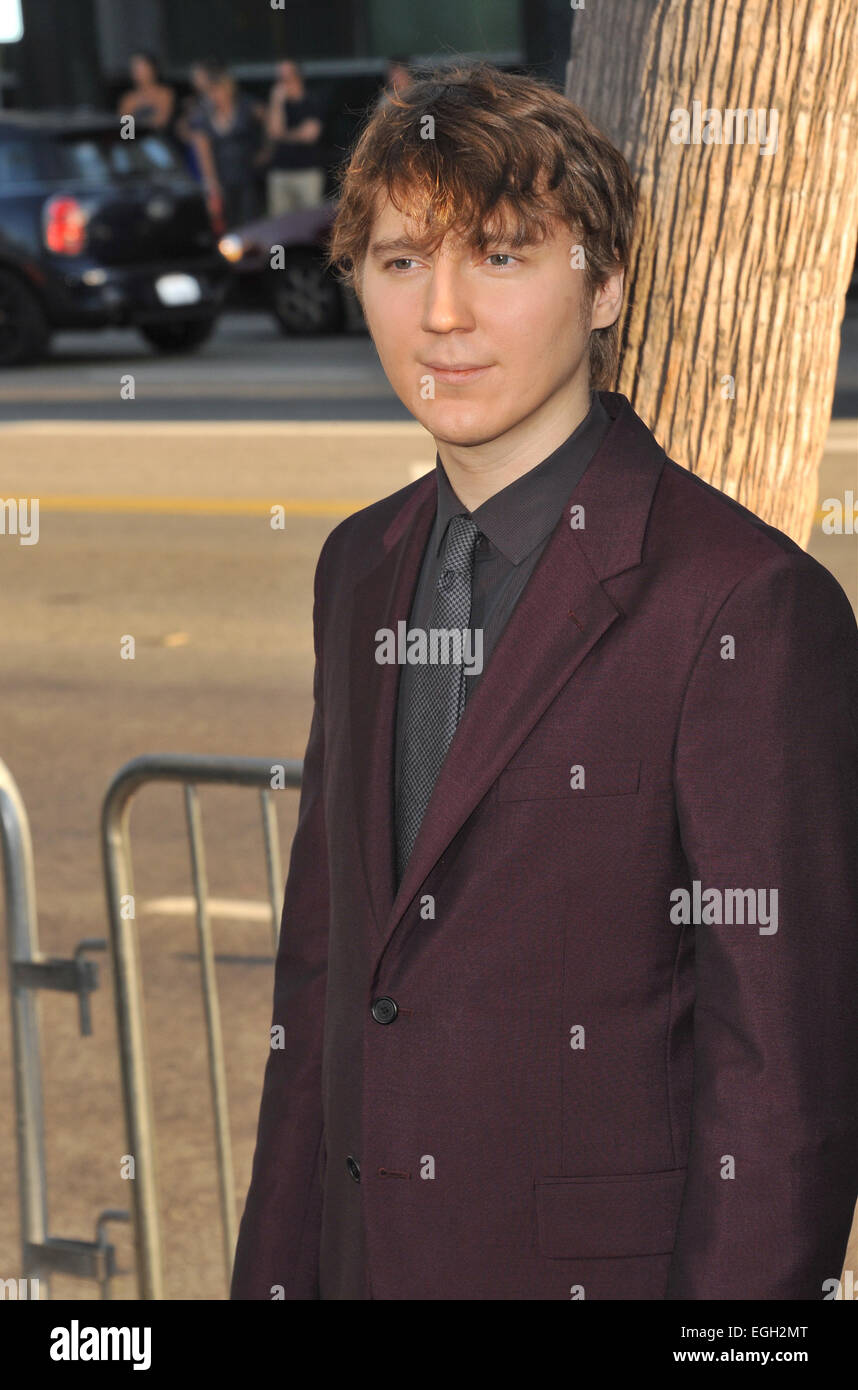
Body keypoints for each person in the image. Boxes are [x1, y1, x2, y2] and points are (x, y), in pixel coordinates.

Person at [230, 62, 858, 1301]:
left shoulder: (744, 603)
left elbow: (784, 1079)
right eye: (402, 261)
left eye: (504, 257)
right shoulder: (358, 567)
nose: (444, 315)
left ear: (605, 282)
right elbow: (326, 986)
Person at [187, 64, 265, 229]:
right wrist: (212, 186)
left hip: (248, 177)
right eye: (212, 92)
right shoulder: (203, 117)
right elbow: (203, 153)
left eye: (219, 90)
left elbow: (269, 122)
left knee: (252, 224)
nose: (216, 96)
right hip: (223, 180)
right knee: (226, 225)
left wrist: (266, 151)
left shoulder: (245, 107)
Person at [265, 60, 325, 214]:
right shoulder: (277, 104)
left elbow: (310, 135)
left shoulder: (312, 101)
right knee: (279, 223)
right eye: (279, 78)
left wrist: (283, 135)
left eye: (286, 77)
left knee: (309, 221)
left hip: (307, 171)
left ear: (297, 77)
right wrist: (277, 103)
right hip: (280, 171)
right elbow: (273, 132)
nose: (282, 82)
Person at [116, 51, 175, 132]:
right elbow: (124, 127)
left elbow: (161, 122)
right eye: (134, 69)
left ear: (152, 69)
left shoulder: (164, 93)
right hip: (134, 139)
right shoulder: (128, 98)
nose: (137, 73)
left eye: (141, 68)